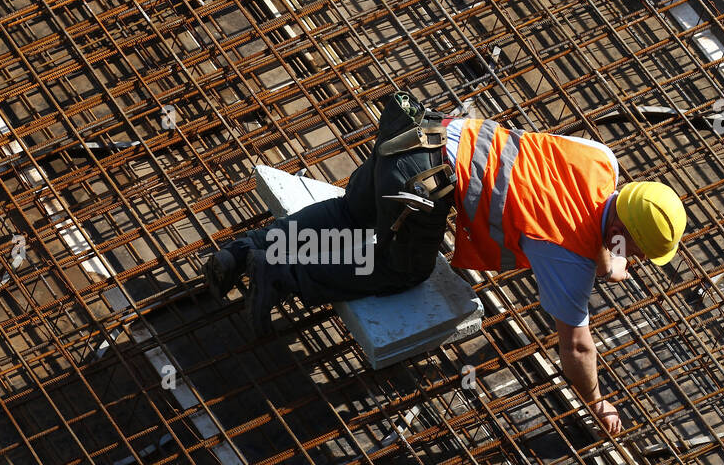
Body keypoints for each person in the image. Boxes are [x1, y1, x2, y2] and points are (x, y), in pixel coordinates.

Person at [203, 92, 687, 436]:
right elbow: (578, 349)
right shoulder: (563, 254)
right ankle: (280, 269)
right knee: (398, 268)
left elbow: (600, 222)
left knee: (350, 212)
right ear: (623, 232)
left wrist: (614, 257)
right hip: (426, 183)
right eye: (640, 250)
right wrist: (596, 402)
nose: (639, 260)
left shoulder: (600, 159)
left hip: (422, 132)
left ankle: (244, 251)